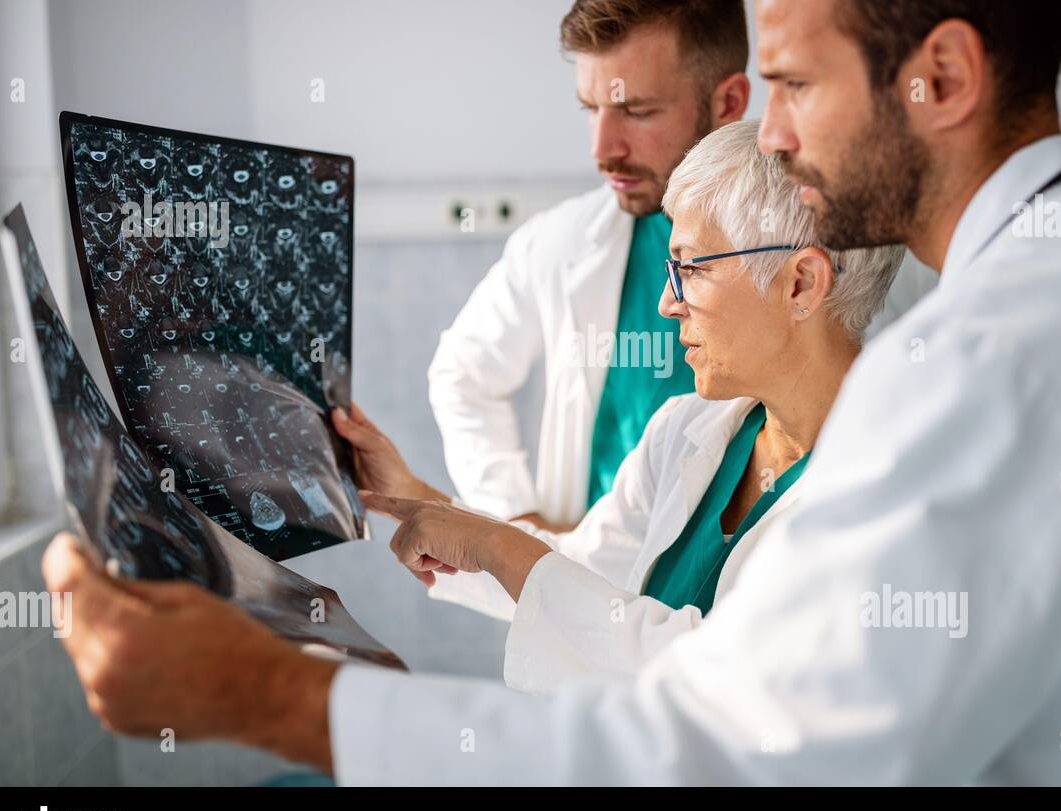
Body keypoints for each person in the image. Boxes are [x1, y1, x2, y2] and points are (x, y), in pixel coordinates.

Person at [45, 0, 1061, 785]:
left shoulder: (989, 361)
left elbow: (742, 750)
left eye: (790, 84)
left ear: (938, 75)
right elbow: (599, 583)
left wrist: (268, 697)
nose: (771, 133)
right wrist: (421, 504)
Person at [343, 119, 903, 693]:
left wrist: (497, 546)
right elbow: (581, 579)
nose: (666, 303)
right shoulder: (686, 430)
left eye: (692, 268)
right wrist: (414, 499)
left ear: (802, 283)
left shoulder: (885, 491)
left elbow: (727, 678)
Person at [422, 0, 934, 532]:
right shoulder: (560, 242)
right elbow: (463, 374)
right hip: (598, 576)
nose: (602, 149)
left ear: (729, 101)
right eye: (592, 108)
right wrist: (523, 526)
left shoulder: (853, 246)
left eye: (636, 112)